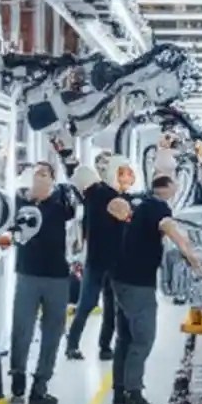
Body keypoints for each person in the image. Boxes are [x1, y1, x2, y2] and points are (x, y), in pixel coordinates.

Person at [108, 175, 202, 404]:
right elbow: (169, 228)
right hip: (137, 283)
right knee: (142, 339)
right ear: (167, 188)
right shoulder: (159, 207)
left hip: (119, 278)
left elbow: (113, 207)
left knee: (125, 339)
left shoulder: (141, 202)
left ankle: (119, 396)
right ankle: (134, 397)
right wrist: (193, 257)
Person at [4, 161, 78, 404]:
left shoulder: (60, 204)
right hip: (28, 274)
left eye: (45, 174)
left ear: (52, 179)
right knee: (22, 327)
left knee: (52, 332)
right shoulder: (20, 202)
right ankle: (17, 376)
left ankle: (41, 383)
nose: (39, 178)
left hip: (57, 276)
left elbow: (75, 205)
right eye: (36, 174)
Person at [65, 154, 135, 361]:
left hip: (104, 262)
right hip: (102, 262)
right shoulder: (101, 194)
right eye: (122, 173)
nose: (127, 177)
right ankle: (92, 346)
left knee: (97, 306)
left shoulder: (107, 197)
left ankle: (86, 346)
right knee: (99, 305)